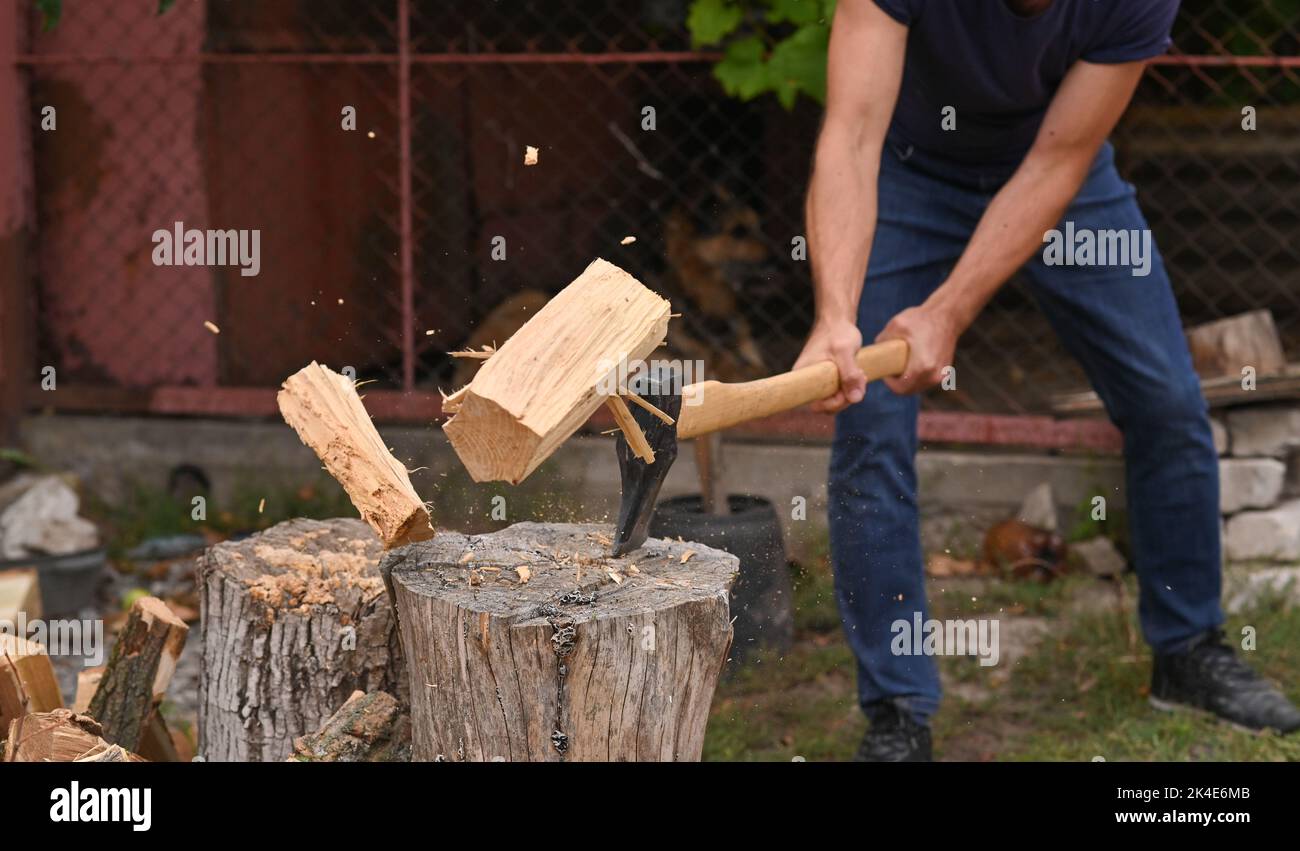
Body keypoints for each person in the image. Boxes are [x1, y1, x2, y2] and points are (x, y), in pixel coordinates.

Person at [793, 0, 1300, 761]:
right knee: (869, 427)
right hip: (904, 168)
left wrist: (946, 311)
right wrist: (835, 315)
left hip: (1059, 170)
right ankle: (897, 710)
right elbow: (853, 133)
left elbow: (1057, 163)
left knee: (1167, 398)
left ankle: (1188, 648)